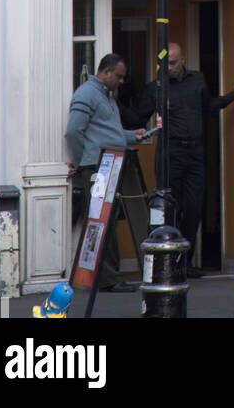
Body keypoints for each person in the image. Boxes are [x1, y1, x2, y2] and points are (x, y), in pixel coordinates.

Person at [136, 43, 234, 276]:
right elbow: (138, 117)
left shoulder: (197, 80)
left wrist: (233, 96)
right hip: (170, 152)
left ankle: (184, 262)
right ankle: (169, 264)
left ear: (183, 59)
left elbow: (209, 106)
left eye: (172, 63)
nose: (168, 68)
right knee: (170, 209)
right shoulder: (156, 87)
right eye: (163, 64)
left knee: (194, 209)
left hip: (195, 152)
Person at [65, 54, 147, 292]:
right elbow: (72, 132)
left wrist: (134, 136)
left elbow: (110, 133)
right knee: (104, 221)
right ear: (106, 72)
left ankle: (108, 277)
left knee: (108, 219)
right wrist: (82, 163)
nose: (121, 81)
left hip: (108, 164)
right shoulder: (87, 93)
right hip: (98, 167)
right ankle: (108, 279)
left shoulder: (105, 96)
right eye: (119, 76)